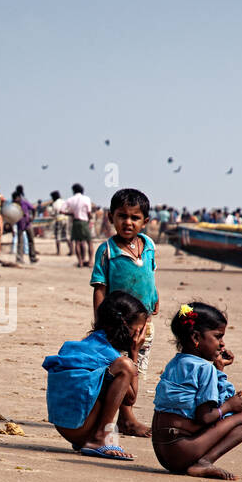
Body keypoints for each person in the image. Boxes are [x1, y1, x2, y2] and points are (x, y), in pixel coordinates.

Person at [150, 303, 242, 480]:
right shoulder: (205, 369)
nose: (222, 344)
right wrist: (230, 405)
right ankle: (203, 462)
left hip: (163, 450)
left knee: (223, 414)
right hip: (181, 450)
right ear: (196, 337)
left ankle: (199, 461)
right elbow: (205, 417)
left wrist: (219, 370)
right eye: (218, 337)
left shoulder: (176, 362)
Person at [42, 290, 150, 460]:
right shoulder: (110, 355)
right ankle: (100, 437)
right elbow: (130, 398)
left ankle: (92, 438)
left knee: (106, 377)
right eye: (138, 330)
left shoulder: (87, 344)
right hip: (79, 428)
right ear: (125, 327)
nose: (142, 336)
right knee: (125, 367)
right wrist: (134, 353)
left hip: (66, 425)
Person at [90, 187, 158, 438]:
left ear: (145, 221)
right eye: (122, 216)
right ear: (111, 218)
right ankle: (125, 419)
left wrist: (155, 297)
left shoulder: (148, 245)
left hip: (144, 322)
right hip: (117, 323)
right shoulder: (107, 251)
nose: (128, 222)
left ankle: (125, 417)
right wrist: (101, 322)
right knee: (123, 366)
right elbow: (100, 288)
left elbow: (150, 275)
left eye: (135, 217)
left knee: (139, 364)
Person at [65, 184, 94, 267]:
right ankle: (91, 261)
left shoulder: (70, 199)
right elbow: (89, 212)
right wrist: (90, 219)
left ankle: (80, 262)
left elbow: (62, 210)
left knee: (77, 242)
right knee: (89, 242)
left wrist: (71, 214)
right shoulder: (86, 199)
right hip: (84, 221)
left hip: (76, 221)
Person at [11, 185, 38, 264]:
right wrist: (12, 228)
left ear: (19, 197)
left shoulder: (25, 202)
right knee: (20, 242)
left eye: (16, 198)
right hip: (19, 225)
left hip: (27, 224)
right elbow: (11, 217)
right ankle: (19, 259)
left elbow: (33, 209)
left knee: (31, 241)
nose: (15, 200)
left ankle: (32, 258)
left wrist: (32, 217)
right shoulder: (13, 206)